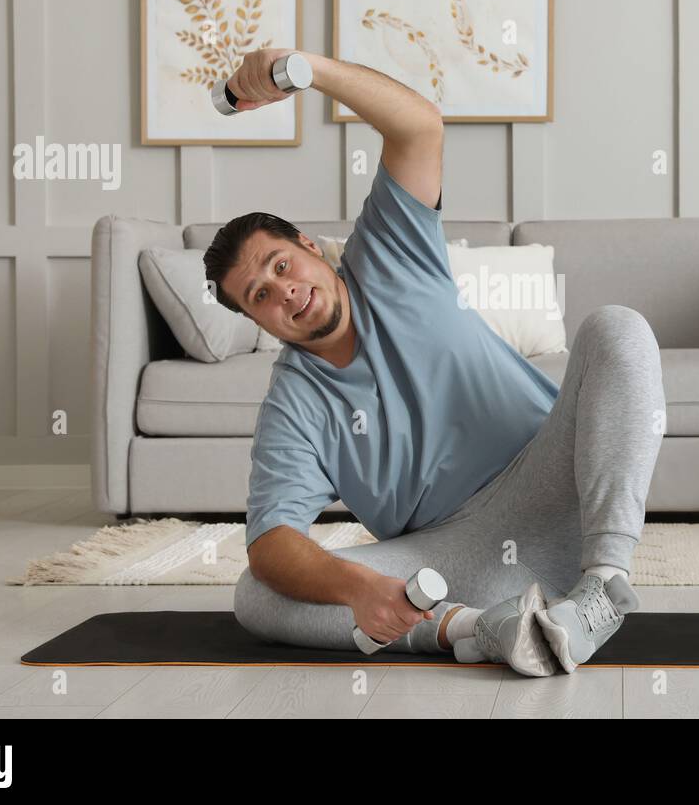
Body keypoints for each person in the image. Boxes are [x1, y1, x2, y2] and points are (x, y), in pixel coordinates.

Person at [205, 48, 665, 676]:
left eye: (281, 265)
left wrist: (304, 68)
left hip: (559, 482)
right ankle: (484, 630)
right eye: (259, 294)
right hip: (463, 554)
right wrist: (358, 589)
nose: (282, 290)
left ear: (310, 247)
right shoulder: (294, 403)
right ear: (256, 320)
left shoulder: (390, 255)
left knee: (619, 327)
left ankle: (602, 589)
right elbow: (272, 542)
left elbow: (416, 126)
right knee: (257, 596)